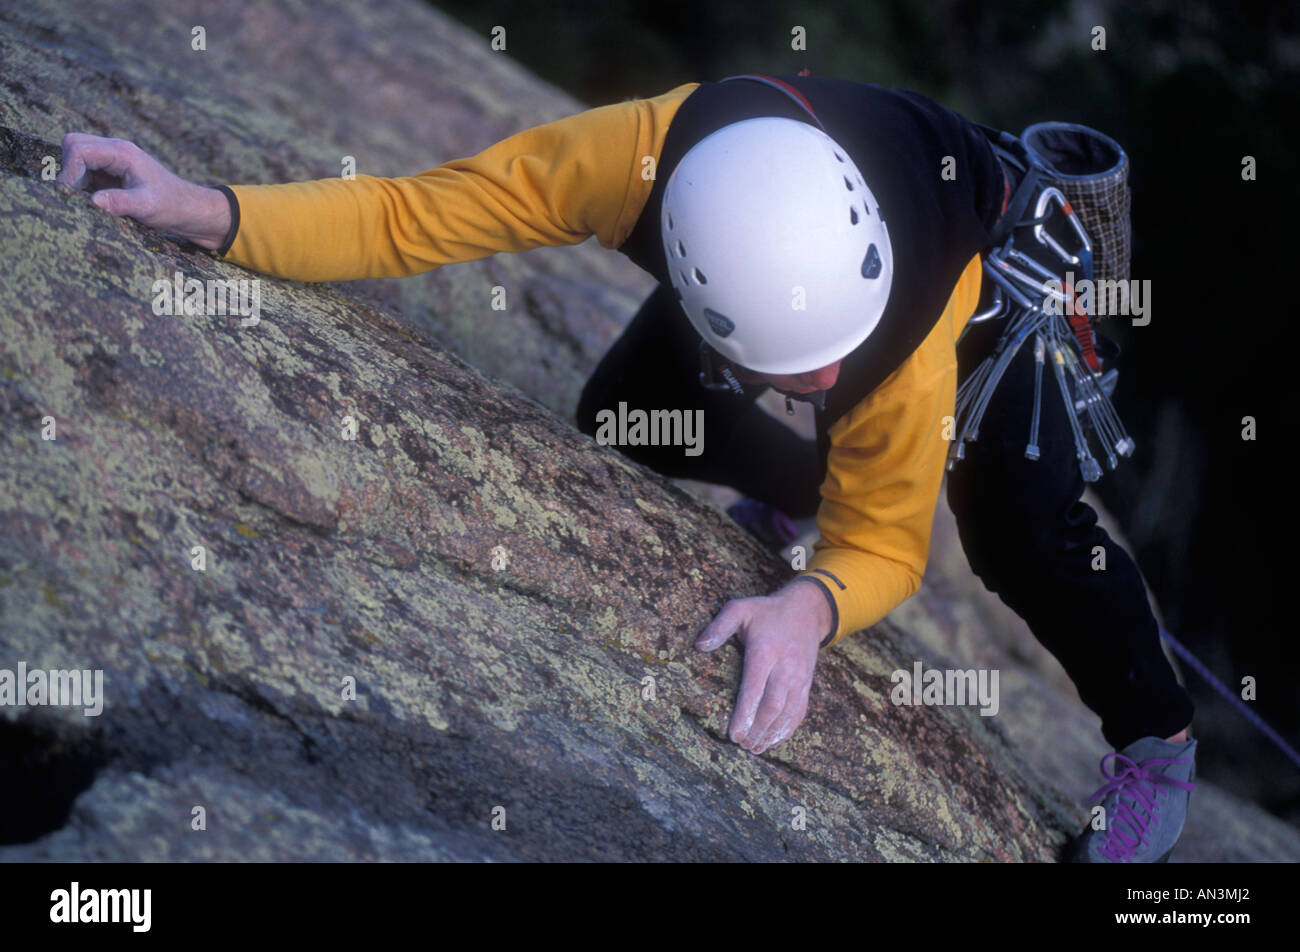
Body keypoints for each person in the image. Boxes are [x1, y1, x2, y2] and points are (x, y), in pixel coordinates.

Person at [57, 70, 1196, 862]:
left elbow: (891, 543)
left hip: (980, 257)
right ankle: (787, 487)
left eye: (828, 368)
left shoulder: (897, 337)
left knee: (1017, 522)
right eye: (798, 373)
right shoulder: (634, 161)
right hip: (792, 244)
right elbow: (413, 215)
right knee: (627, 411)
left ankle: (1160, 741)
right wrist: (209, 210)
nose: (826, 383)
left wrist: (812, 602)